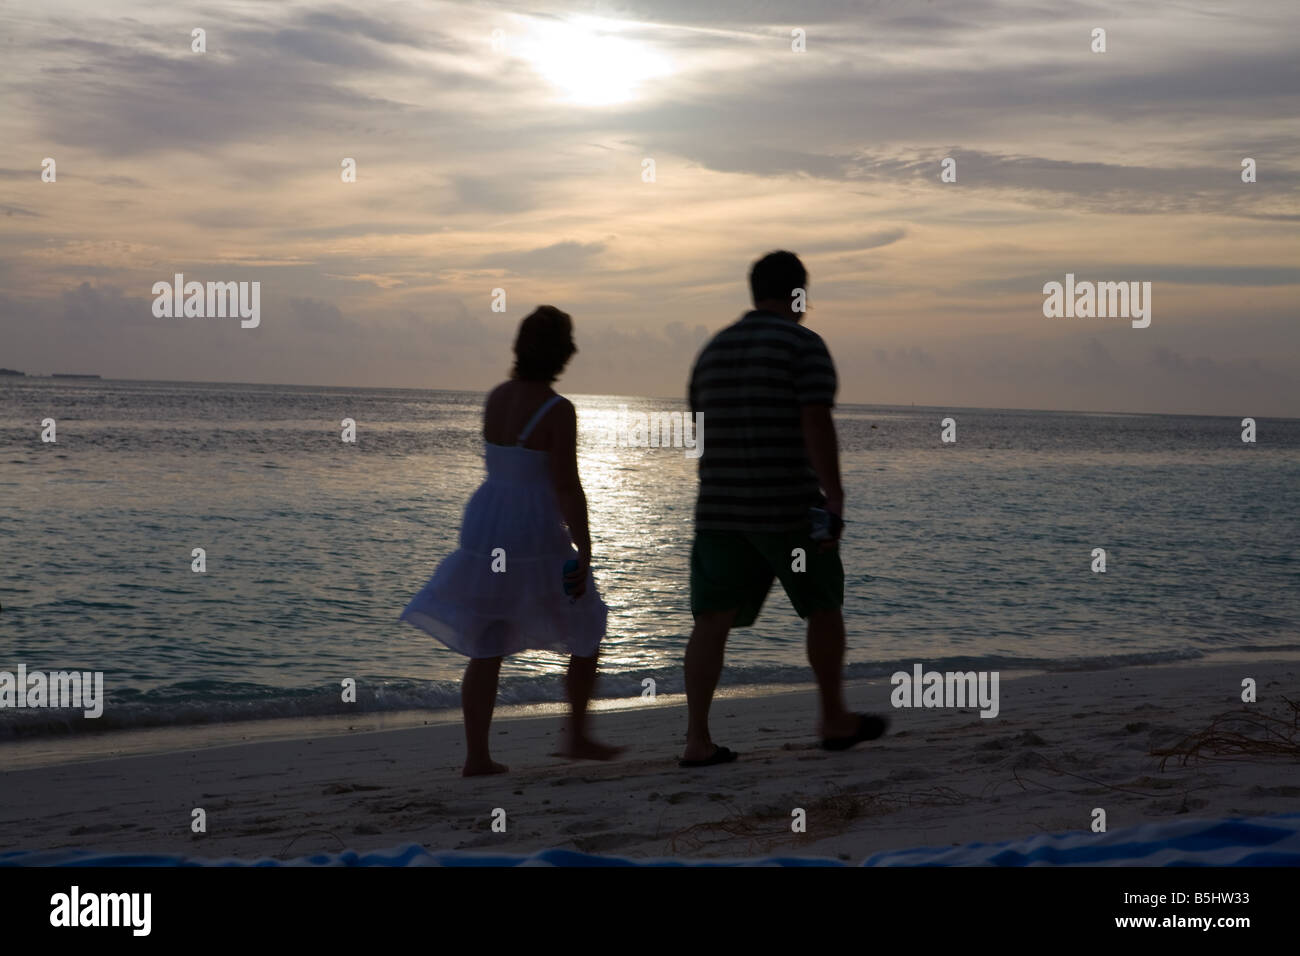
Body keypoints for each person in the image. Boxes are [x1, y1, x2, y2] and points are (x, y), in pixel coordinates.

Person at [681, 251, 887, 767]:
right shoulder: (803, 345)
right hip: (787, 505)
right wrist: (833, 498)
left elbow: (701, 433)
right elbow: (816, 421)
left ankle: (697, 740)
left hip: (719, 509)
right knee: (822, 605)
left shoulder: (711, 352)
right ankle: (833, 717)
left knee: (711, 620)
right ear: (798, 294)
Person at [401, 305, 621, 776]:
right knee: (586, 622)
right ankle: (576, 734)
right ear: (563, 353)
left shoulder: (497, 397)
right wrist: (586, 547)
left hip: (487, 521)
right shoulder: (558, 410)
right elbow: (566, 485)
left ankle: (476, 756)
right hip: (532, 527)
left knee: (489, 639)